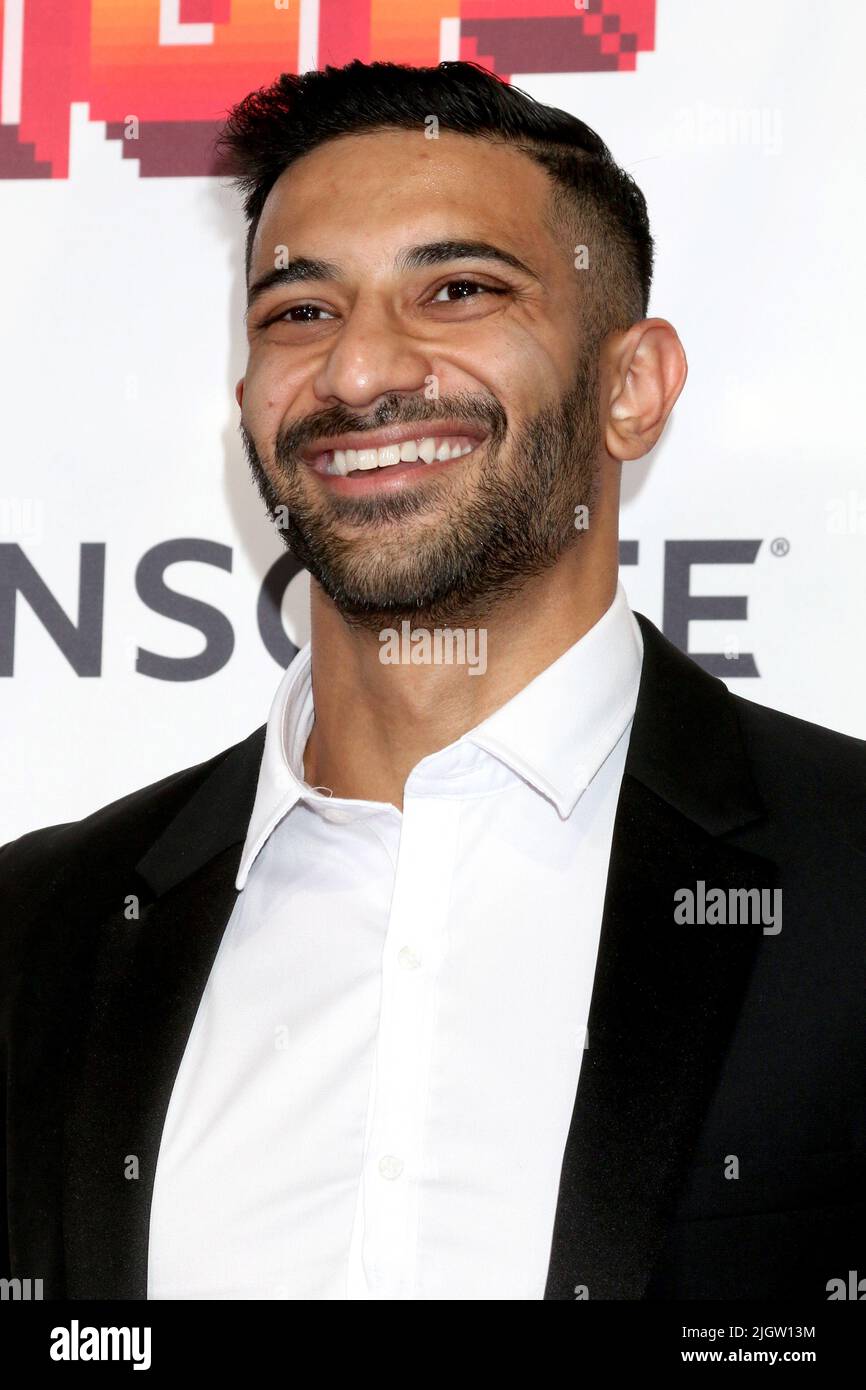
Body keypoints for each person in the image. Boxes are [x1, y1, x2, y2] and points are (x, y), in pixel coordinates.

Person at [2, 60, 864, 1302]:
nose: (358, 375)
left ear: (631, 386)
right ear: (245, 397)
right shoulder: (41, 931)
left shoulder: (845, 872)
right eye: (300, 313)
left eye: (456, 290)